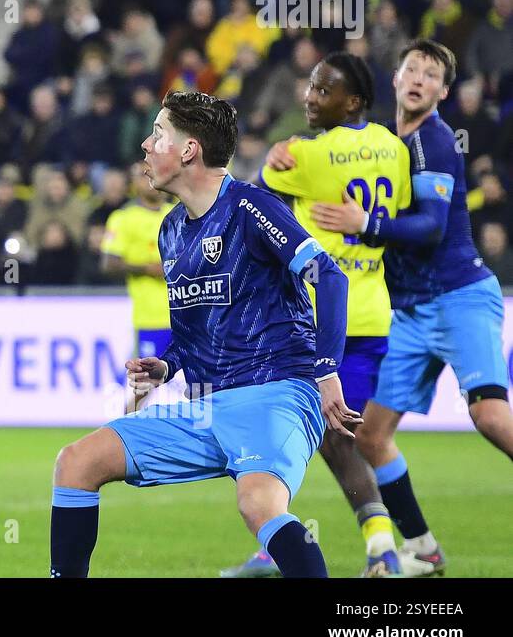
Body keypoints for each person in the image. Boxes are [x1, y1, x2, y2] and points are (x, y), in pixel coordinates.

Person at [50, 91, 352, 578]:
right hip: (207, 404)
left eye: (158, 134)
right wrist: (166, 365)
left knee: (259, 504)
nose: (146, 146)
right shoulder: (171, 231)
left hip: (273, 392)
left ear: (188, 150)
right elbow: (192, 337)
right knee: (76, 462)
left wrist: (327, 369)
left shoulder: (252, 206)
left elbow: (329, 277)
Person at [310, 40, 513, 576]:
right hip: (414, 312)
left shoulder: (436, 142)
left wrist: (366, 226)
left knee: (489, 414)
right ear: (396, 79)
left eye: (432, 73)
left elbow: (433, 227)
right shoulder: (385, 144)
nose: (420, 77)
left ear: (444, 92)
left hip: (460, 295)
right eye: (412, 68)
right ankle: (422, 547)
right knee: (370, 436)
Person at [222, 53, 413, 578]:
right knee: (321, 436)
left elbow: (255, 200)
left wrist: (278, 157)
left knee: (306, 434)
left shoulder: (309, 156)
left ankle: (376, 547)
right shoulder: (393, 149)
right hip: (372, 310)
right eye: (310, 85)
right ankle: (308, 544)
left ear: (352, 101)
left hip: (315, 317)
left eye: (323, 90)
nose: (309, 96)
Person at [100, 162, 174, 372]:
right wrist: (146, 269)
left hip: (186, 315)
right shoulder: (123, 218)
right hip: (150, 316)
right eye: (142, 176)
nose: (149, 180)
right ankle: (129, 407)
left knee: (193, 380)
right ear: (133, 183)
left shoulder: (178, 213)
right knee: (145, 379)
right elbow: (108, 263)